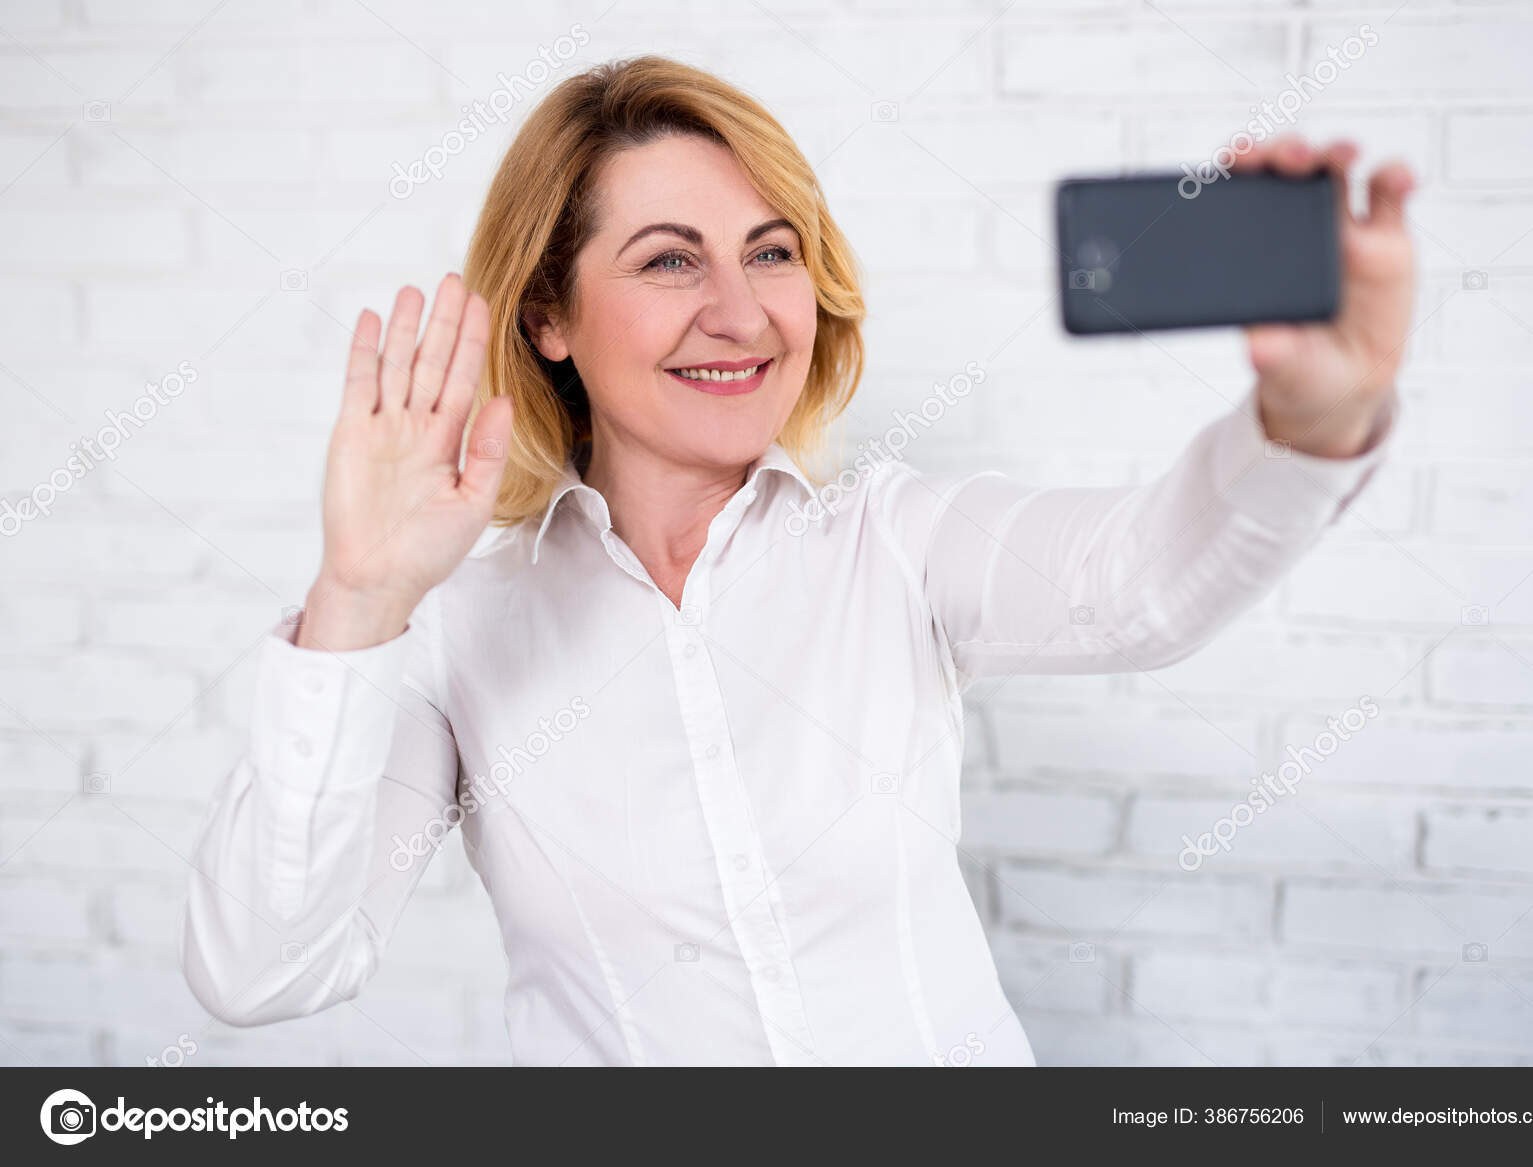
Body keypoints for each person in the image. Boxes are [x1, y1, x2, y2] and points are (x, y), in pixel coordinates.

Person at [181, 55, 1415, 1066]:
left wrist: (1311, 420)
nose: (742, 309)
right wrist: (358, 598)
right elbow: (263, 969)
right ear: (547, 316)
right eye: (669, 259)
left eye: (770, 253)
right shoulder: (451, 629)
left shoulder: (893, 543)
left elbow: (1141, 585)